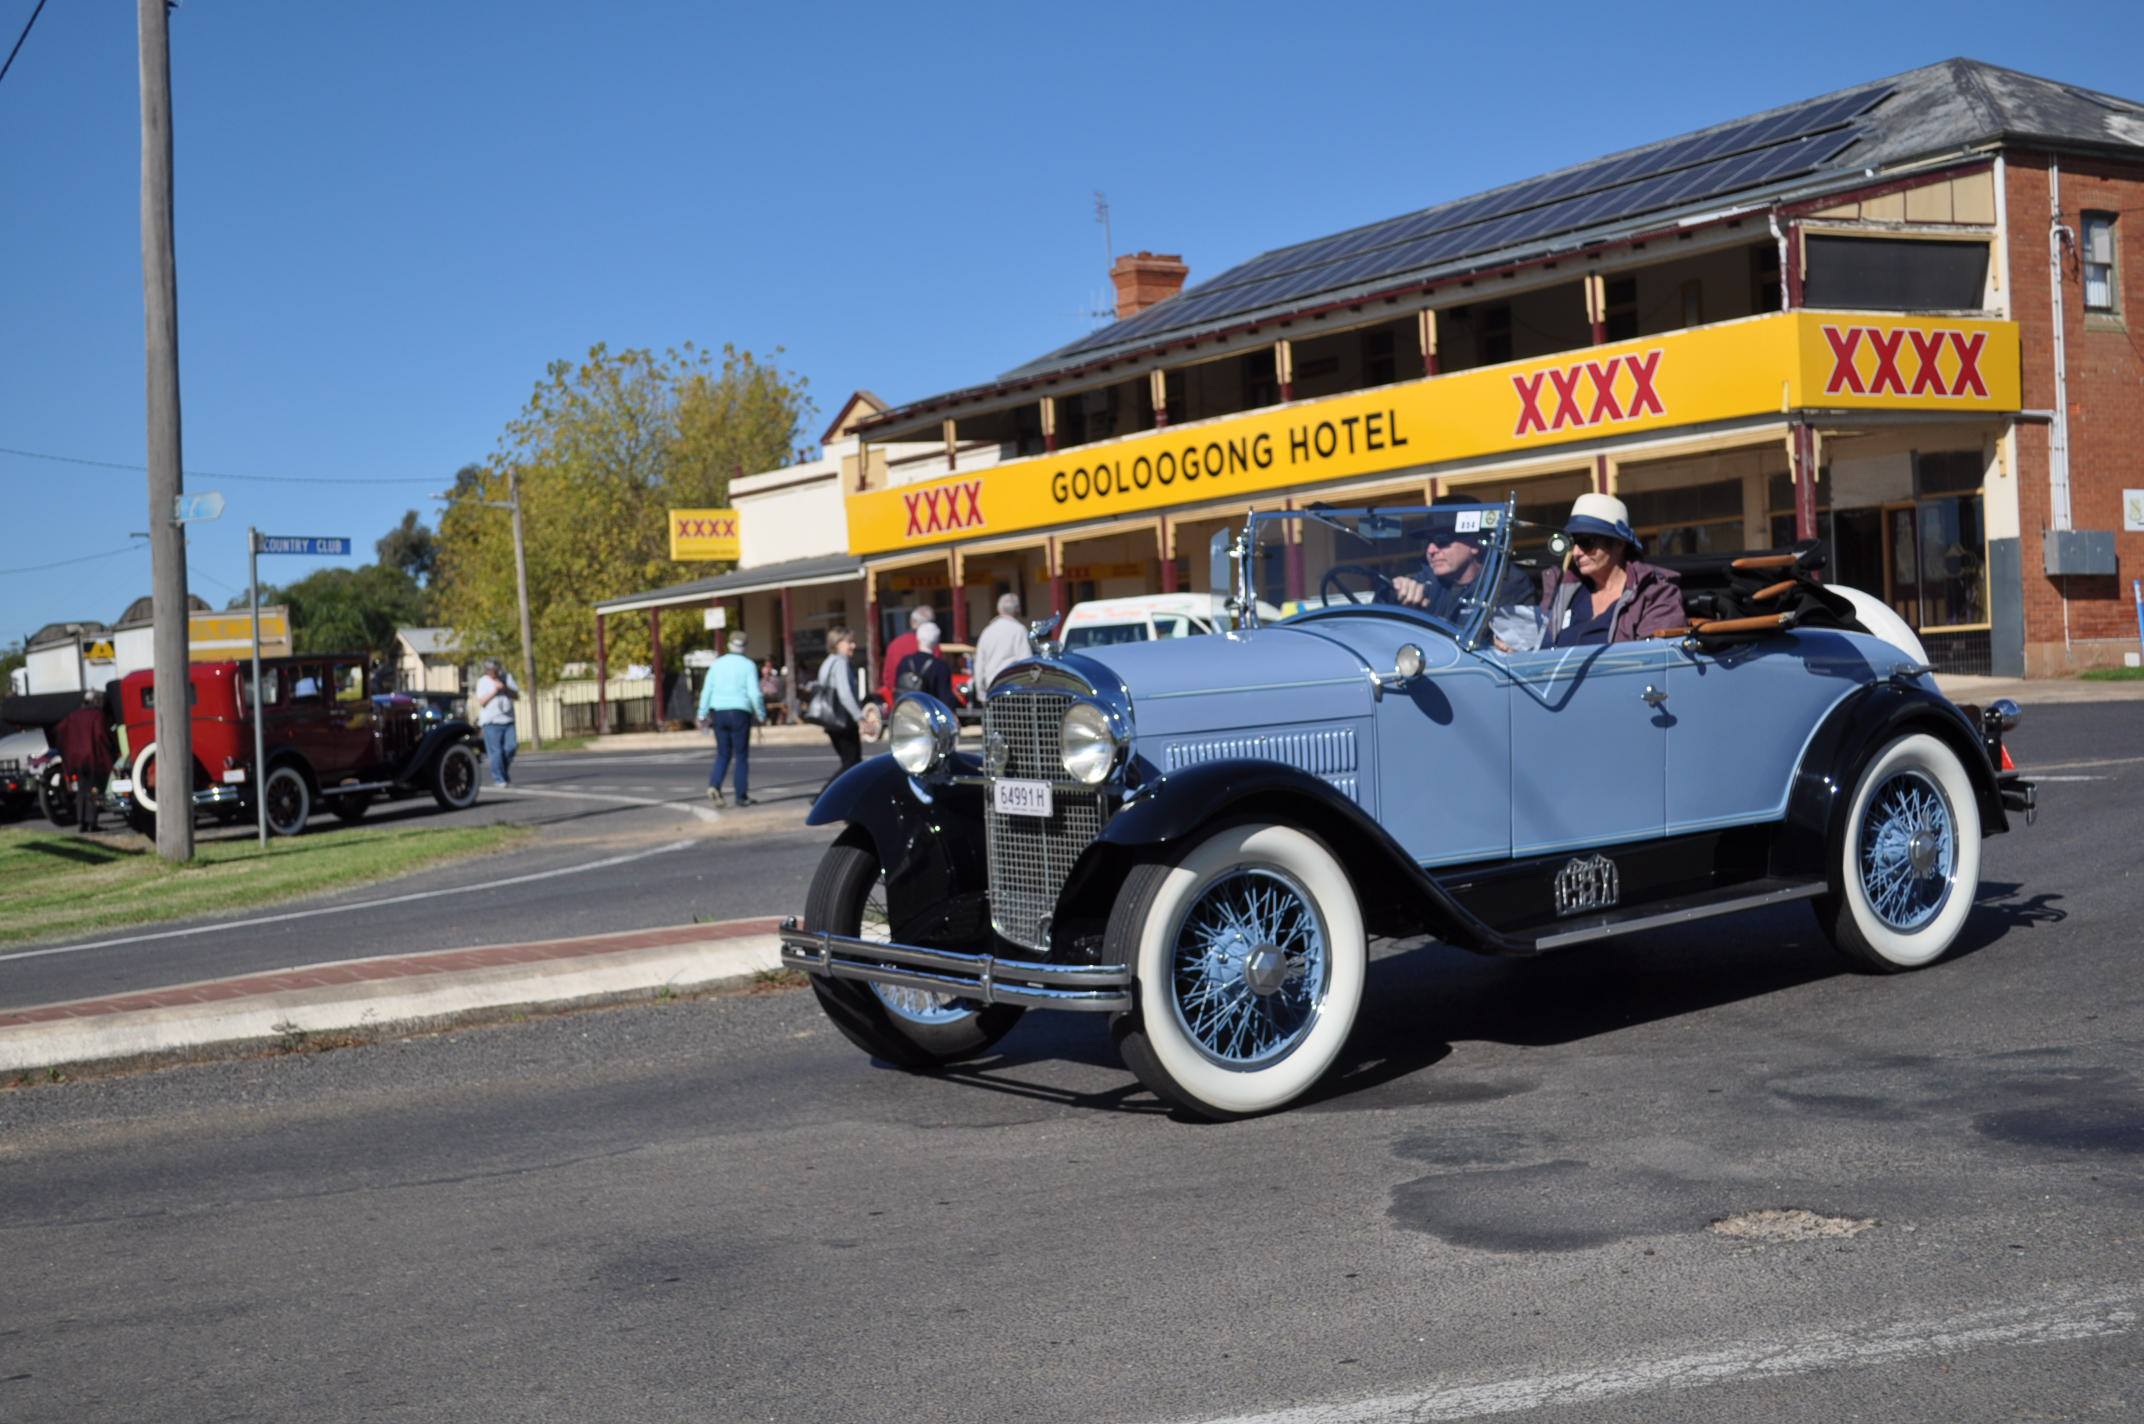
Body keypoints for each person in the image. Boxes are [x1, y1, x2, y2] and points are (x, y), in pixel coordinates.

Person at [1538, 493, 1685, 647]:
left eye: (1586, 543)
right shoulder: (1563, 591)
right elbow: (1540, 651)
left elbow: (1656, 659)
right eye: (1572, 543)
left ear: (1619, 544)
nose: (1576, 553)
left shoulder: (1654, 594)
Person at [1390, 503, 1542, 650]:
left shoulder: (1509, 583)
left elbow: (1517, 653)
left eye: (1442, 540)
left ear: (1475, 544)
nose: (1431, 550)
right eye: (1428, 542)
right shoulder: (1427, 580)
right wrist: (1394, 592)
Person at [696, 631, 766, 807]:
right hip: (740, 712)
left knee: (723, 753)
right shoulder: (748, 665)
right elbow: (754, 693)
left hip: (719, 711)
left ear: (728, 644)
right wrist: (761, 713)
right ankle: (741, 795)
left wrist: (702, 714)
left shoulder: (717, 664)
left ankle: (714, 784)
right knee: (741, 755)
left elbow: (707, 690)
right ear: (745, 646)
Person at [814, 625, 866, 802]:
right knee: (852, 763)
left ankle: (843, 799)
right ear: (837, 643)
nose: (853, 645)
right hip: (843, 719)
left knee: (850, 762)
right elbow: (845, 693)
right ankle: (825, 797)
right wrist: (859, 717)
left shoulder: (828, 661)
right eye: (849, 642)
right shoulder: (841, 662)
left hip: (830, 720)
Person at [55, 690, 113, 833]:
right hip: (93, 759)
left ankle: (82, 821)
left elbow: (60, 732)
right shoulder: (97, 716)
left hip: (76, 760)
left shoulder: (72, 716)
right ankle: (91, 821)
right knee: (93, 790)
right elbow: (102, 736)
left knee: (81, 790)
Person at [970, 592, 1029, 697]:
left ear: (998, 609)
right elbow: (1025, 661)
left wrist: (981, 692)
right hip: (1013, 688)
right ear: (1017, 609)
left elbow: (979, 664)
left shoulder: (987, 631)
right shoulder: (1019, 630)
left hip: (991, 688)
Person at [474, 658, 519, 787]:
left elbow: (516, 695)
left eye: (495, 670)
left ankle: (502, 772)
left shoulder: (507, 678)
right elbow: (482, 701)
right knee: (496, 752)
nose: (493, 672)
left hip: (508, 720)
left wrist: (504, 688)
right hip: (491, 722)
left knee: (511, 747)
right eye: (490, 670)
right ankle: (499, 778)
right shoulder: (482, 682)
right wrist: (495, 691)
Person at [877, 604, 935, 704]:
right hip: (926, 701)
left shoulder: (895, 644)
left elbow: (888, 676)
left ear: (912, 623)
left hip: (901, 699)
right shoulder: (932, 645)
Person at [895, 622, 957, 705]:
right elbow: (945, 698)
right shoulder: (940, 666)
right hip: (928, 712)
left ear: (918, 638)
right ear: (937, 641)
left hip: (906, 711)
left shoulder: (905, 661)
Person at [758, 659, 787, 725]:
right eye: (766, 666)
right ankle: (763, 721)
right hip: (764, 698)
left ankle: (773, 721)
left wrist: (768, 676)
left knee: (775, 704)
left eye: (769, 666)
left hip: (774, 697)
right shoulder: (761, 681)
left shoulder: (776, 679)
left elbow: (776, 689)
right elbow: (760, 690)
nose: (767, 669)